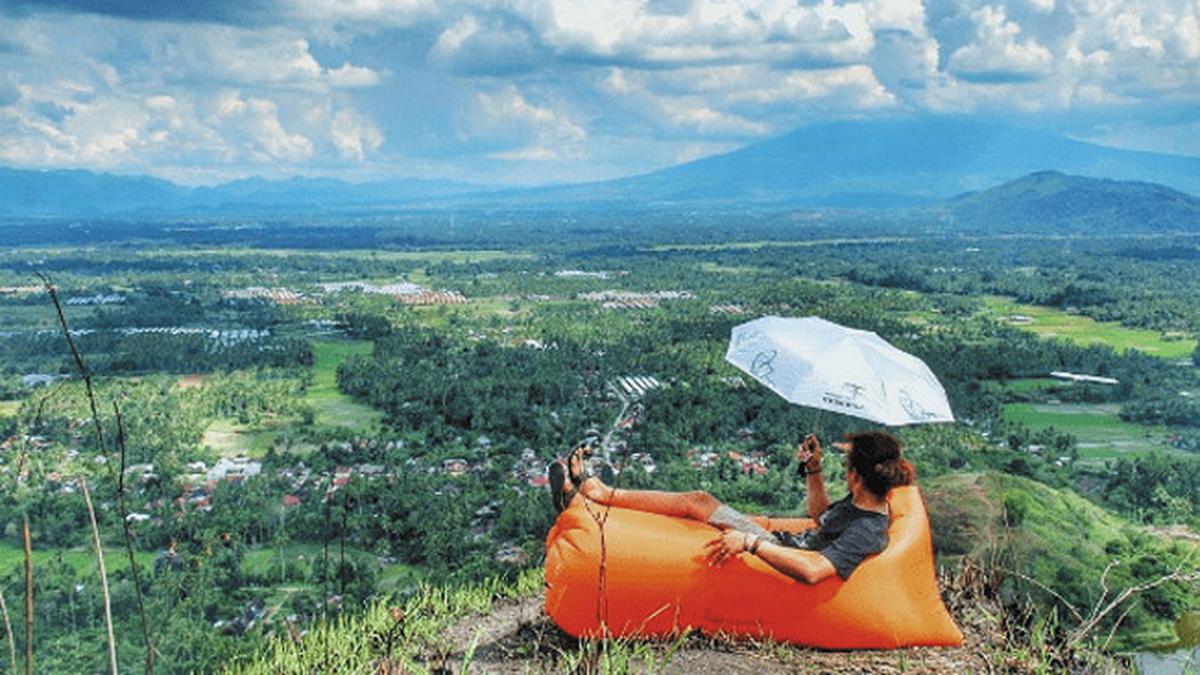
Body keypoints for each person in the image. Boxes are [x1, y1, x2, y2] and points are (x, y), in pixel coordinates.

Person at [548, 431, 915, 583]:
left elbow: (815, 571)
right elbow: (821, 517)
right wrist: (814, 468)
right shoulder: (864, 502)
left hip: (775, 550)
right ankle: (599, 494)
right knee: (699, 501)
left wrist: (751, 543)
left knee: (698, 509)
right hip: (777, 539)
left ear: (854, 476)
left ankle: (587, 497)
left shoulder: (867, 530)